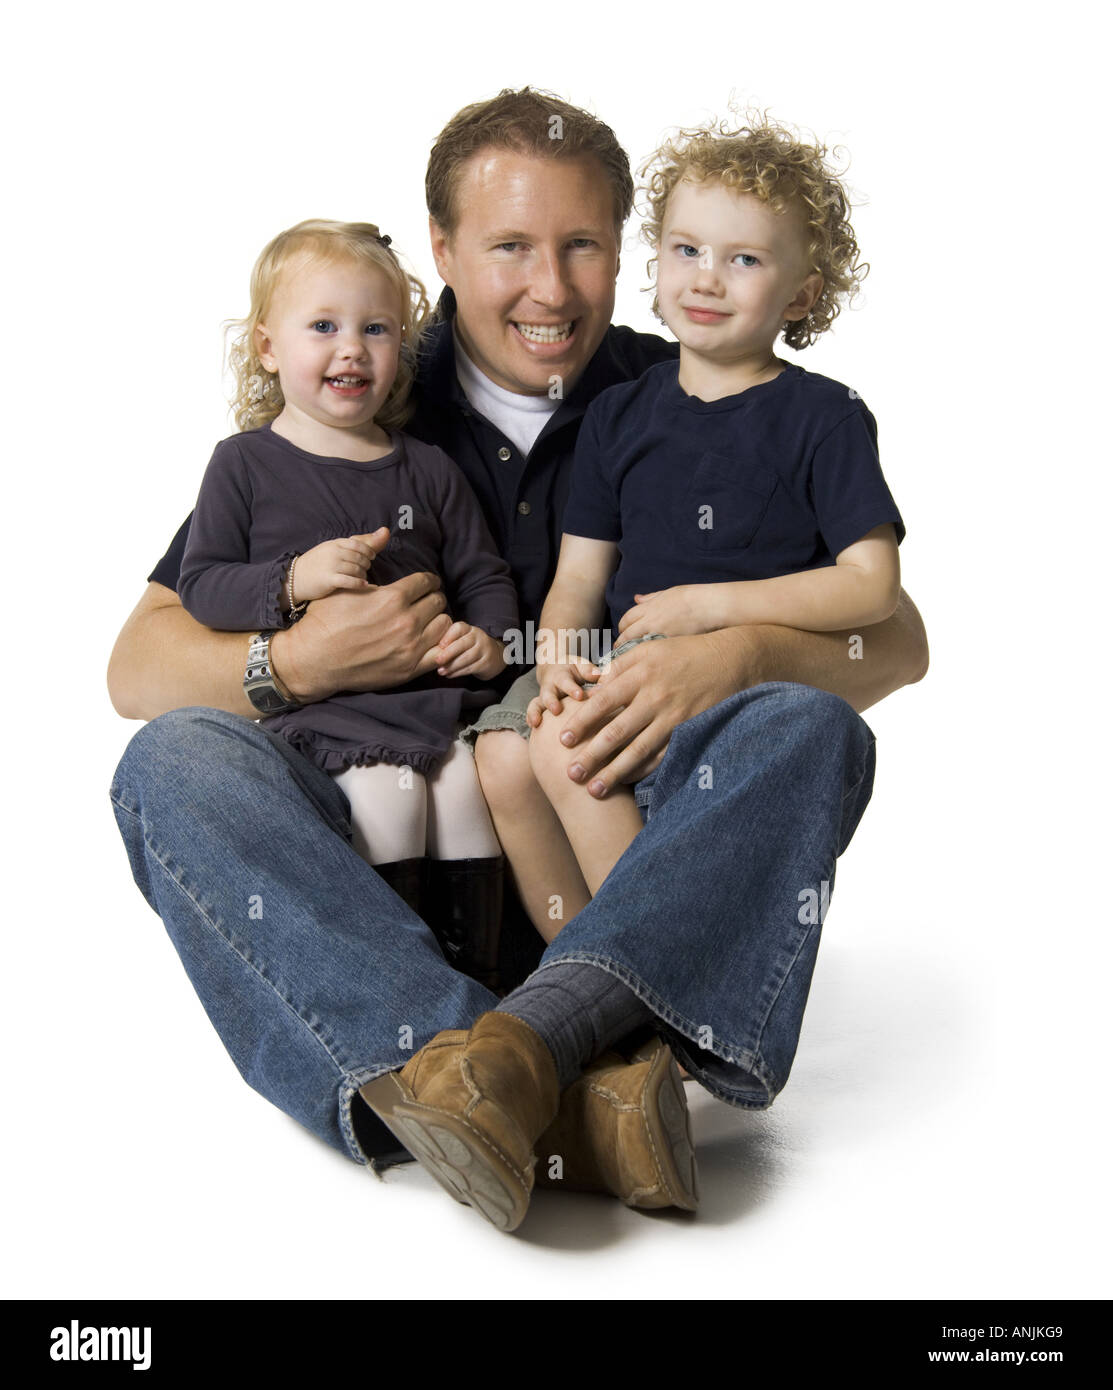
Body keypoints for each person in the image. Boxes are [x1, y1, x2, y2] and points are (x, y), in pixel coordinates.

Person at [108, 89, 929, 1234]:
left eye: (581, 245)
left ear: (625, 251)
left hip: (613, 834)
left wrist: (734, 653)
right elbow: (137, 665)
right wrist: (292, 663)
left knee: (813, 728)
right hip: (380, 876)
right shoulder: (359, 388)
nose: (549, 289)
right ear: (440, 251)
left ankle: (501, 1065)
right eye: (509, 248)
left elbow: (893, 638)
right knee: (172, 763)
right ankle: (560, 1068)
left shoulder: (684, 381)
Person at [480, 117, 904, 942]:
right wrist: (560, 658)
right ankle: (585, 974)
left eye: (742, 259)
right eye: (685, 250)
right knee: (503, 756)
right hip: (615, 659)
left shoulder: (822, 416)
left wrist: (711, 608)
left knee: (568, 752)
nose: (706, 278)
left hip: (739, 678)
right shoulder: (615, 415)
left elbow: (872, 586)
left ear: (801, 294)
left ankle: (645, 977)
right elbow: (576, 580)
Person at [175, 219, 517, 985]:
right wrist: (290, 580)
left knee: (466, 789)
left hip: (431, 707)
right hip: (326, 716)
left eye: (376, 329)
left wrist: (489, 640)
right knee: (390, 799)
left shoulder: (426, 469)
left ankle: (482, 1000)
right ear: (268, 347)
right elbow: (201, 585)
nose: (351, 348)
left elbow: (482, 574)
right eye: (322, 326)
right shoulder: (245, 464)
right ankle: (399, 995)